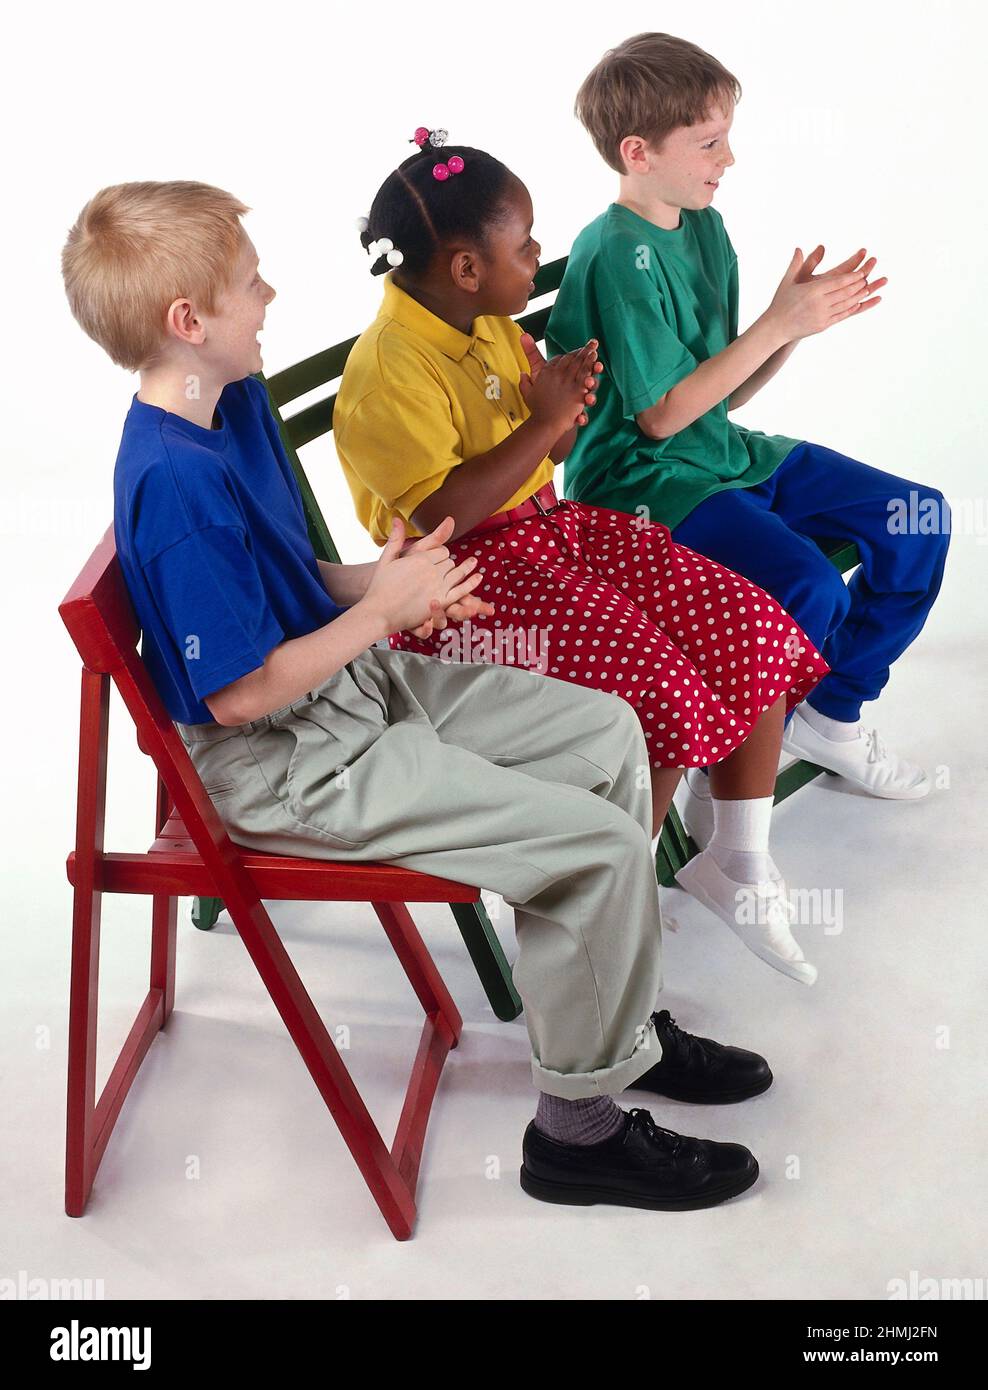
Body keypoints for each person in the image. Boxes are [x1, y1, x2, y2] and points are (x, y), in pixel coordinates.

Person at [61, 179, 774, 1213]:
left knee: (608, 731)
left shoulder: (232, 399)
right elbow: (236, 697)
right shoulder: (172, 482)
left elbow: (292, 580)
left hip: (346, 680)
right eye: (246, 282)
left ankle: (618, 1035)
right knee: (600, 846)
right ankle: (577, 1134)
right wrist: (377, 614)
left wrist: (388, 579)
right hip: (287, 761)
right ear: (188, 322)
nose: (269, 294)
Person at [333, 130, 830, 984]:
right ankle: (602, 897)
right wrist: (540, 426)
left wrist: (555, 408)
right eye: (522, 245)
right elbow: (442, 517)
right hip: (466, 589)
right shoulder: (387, 371)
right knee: (659, 686)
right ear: (464, 269)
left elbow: (543, 452)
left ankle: (734, 860)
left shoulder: (483, 322)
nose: (537, 256)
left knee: (751, 622)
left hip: (556, 537)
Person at [548, 31, 950, 847]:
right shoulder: (614, 252)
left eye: (725, 136)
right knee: (812, 587)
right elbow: (659, 418)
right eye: (708, 141)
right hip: (644, 487)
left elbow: (719, 393)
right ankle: (730, 775)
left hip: (722, 456)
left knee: (922, 518)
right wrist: (776, 323)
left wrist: (792, 329)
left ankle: (830, 718)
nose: (727, 158)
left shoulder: (704, 229)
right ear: (639, 151)